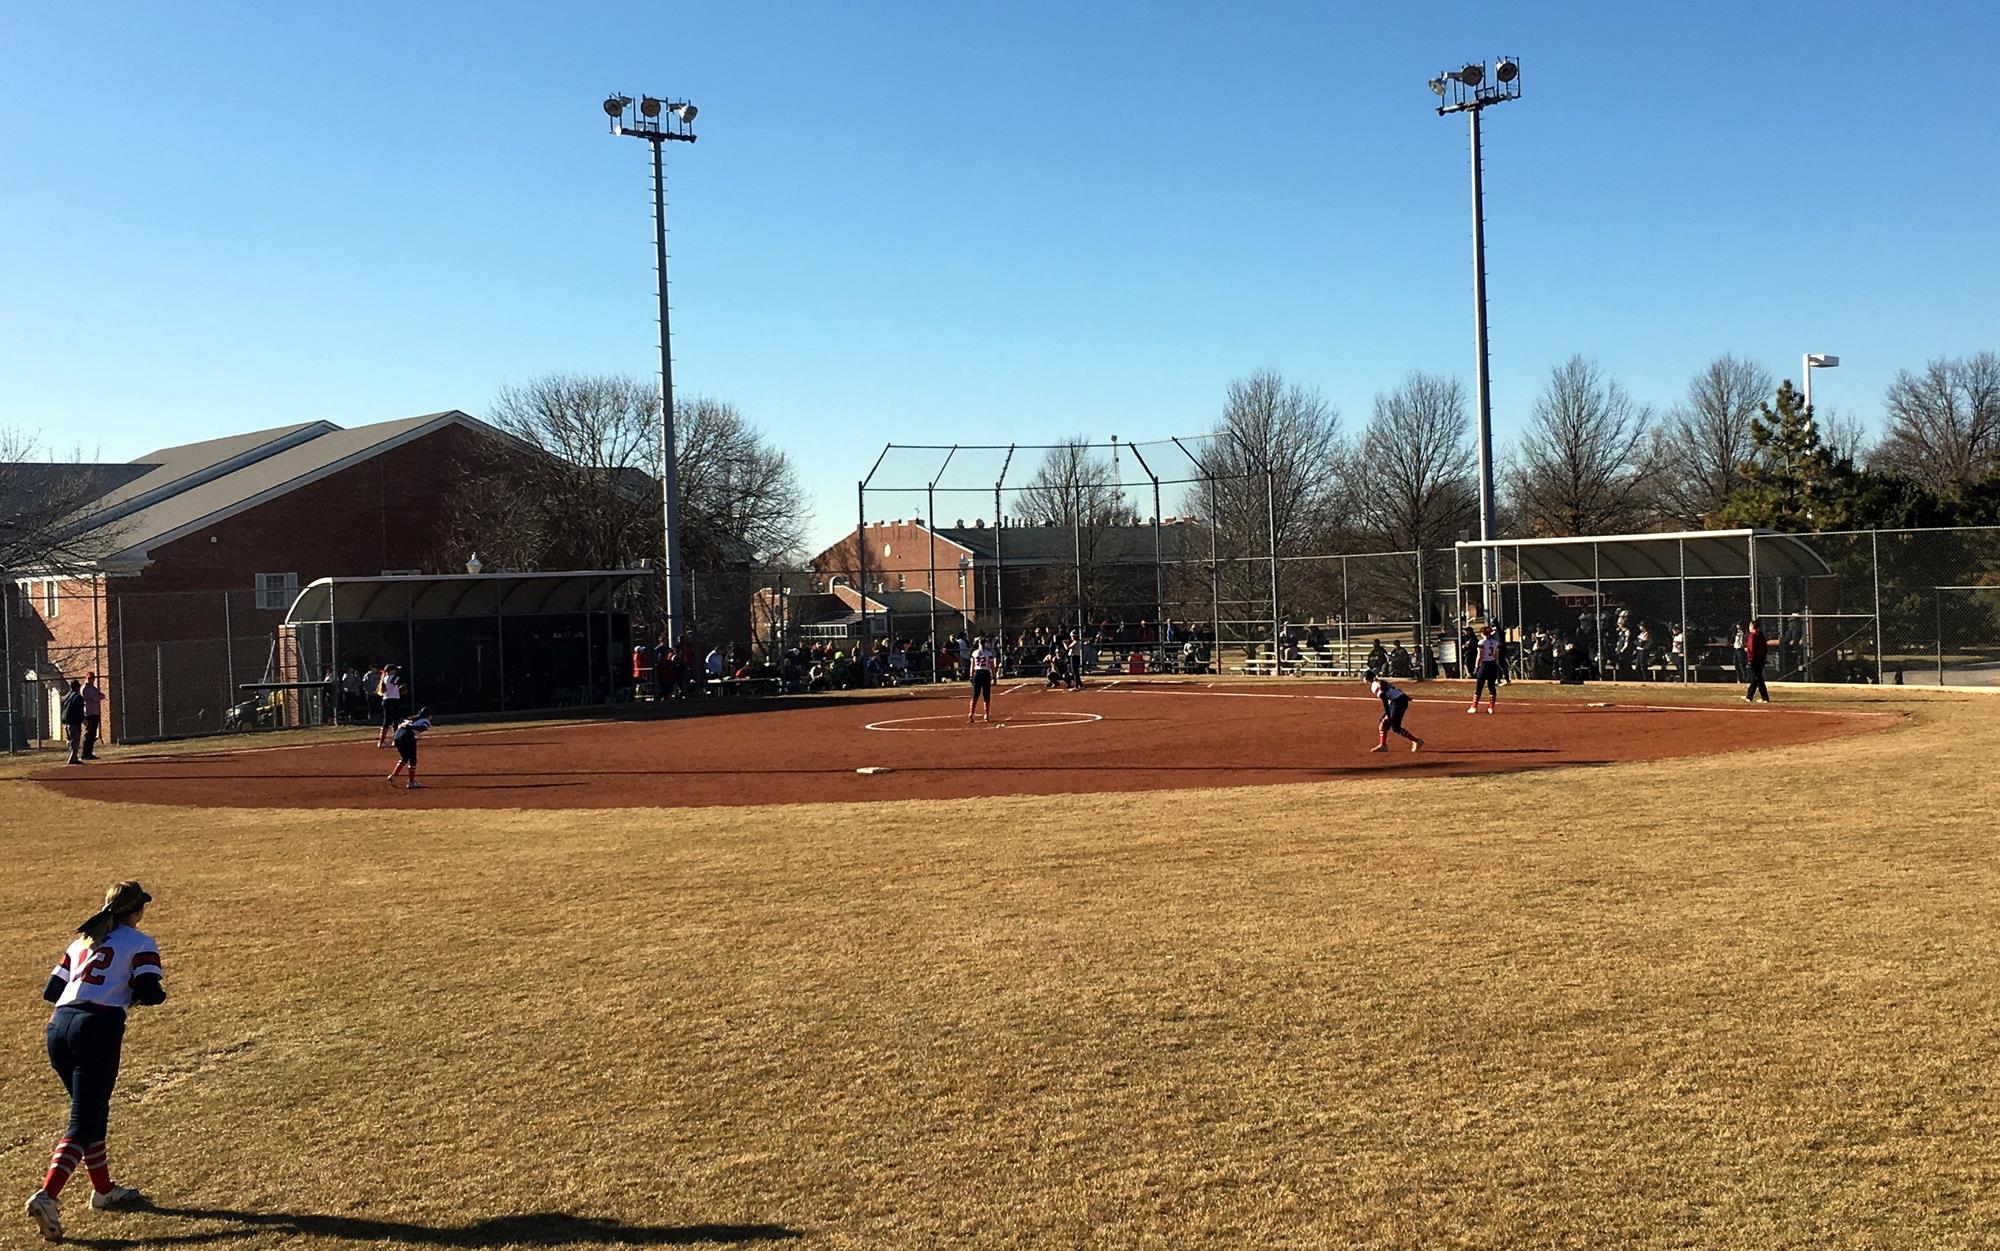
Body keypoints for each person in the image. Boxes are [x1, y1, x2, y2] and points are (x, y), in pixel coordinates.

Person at [26, 882, 164, 1241]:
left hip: (58, 1028)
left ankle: (103, 1191)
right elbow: (151, 992)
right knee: (84, 1121)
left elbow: (51, 992)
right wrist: (131, 994)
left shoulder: (81, 941)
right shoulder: (140, 942)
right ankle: (48, 1195)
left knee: (92, 1111)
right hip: (97, 1028)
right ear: (136, 911)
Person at [1365, 668, 1423, 753]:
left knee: (1395, 727)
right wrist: (1405, 696)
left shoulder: (1374, 685)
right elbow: (1396, 690)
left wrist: (1388, 714)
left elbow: (1384, 698)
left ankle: (1417, 741)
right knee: (1383, 723)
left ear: (1366, 679)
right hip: (1397, 701)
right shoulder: (1380, 681)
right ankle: (1383, 745)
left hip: (1398, 702)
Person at [386, 707, 433, 789]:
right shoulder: (426, 721)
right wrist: (410, 728)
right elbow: (422, 727)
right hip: (407, 736)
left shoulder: (411, 718)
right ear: (428, 715)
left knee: (404, 758)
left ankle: (393, 776)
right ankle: (411, 782)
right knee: (413, 759)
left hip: (397, 736)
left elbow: (401, 721)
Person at [1468, 622, 1502, 714]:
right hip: (1493, 665)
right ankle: (1491, 707)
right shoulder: (1495, 643)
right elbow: (1496, 656)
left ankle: (1474, 706)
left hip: (1485, 665)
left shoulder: (1482, 642)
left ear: (1483, 633)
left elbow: (1480, 656)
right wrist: (1497, 666)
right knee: (1492, 687)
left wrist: (1476, 666)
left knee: (1479, 686)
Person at [967, 634, 997, 723]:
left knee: (975, 695)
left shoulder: (974, 653)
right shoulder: (989, 654)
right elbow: (992, 666)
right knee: (986, 695)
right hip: (986, 673)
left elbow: (972, 666)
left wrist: (971, 675)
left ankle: (971, 714)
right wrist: (994, 677)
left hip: (977, 673)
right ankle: (986, 715)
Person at [374, 665, 404, 748]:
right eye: (394, 670)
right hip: (390, 701)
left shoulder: (388, 677)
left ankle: (396, 740)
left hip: (392, 700)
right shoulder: (389, 677)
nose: (396, 672)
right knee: (388, 721)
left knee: (396, 721)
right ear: (391, 671)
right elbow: (395, 680)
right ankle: (381, 741)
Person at [78, 675, 105, 760]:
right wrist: (98, 697)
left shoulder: (93, 687)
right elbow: (95, 698)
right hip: (89, 713)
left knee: (93, 734)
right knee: (89, 733)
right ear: (86, 678)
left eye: (92, 678)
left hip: (95, 712)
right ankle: (84, 753)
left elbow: (101, 695)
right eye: (89, 678)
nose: (91, 680)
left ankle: (89, 753)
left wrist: (99, 696)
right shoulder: (85, 688)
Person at [59, 680, 85, 766]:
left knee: (70, 740)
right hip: (74, 722)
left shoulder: (66, 696)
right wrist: (83, 720)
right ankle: (72, 758)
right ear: (77, 687)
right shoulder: (78, 697)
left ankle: (73, 757)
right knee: (75, 740)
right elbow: (79, 711)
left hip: (66, 721)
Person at [1744, 620, 1771, 703]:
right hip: (1760, 659)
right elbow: (1765, 647)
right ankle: (1751, 696)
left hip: (1754, 659)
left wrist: (1750, 658)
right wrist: (1763, 656)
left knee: (1757, 678)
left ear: (1752, 626)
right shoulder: (1761, 635)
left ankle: (1761, 697)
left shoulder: (1752, 636)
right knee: (1757, 678)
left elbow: (1751, 648)